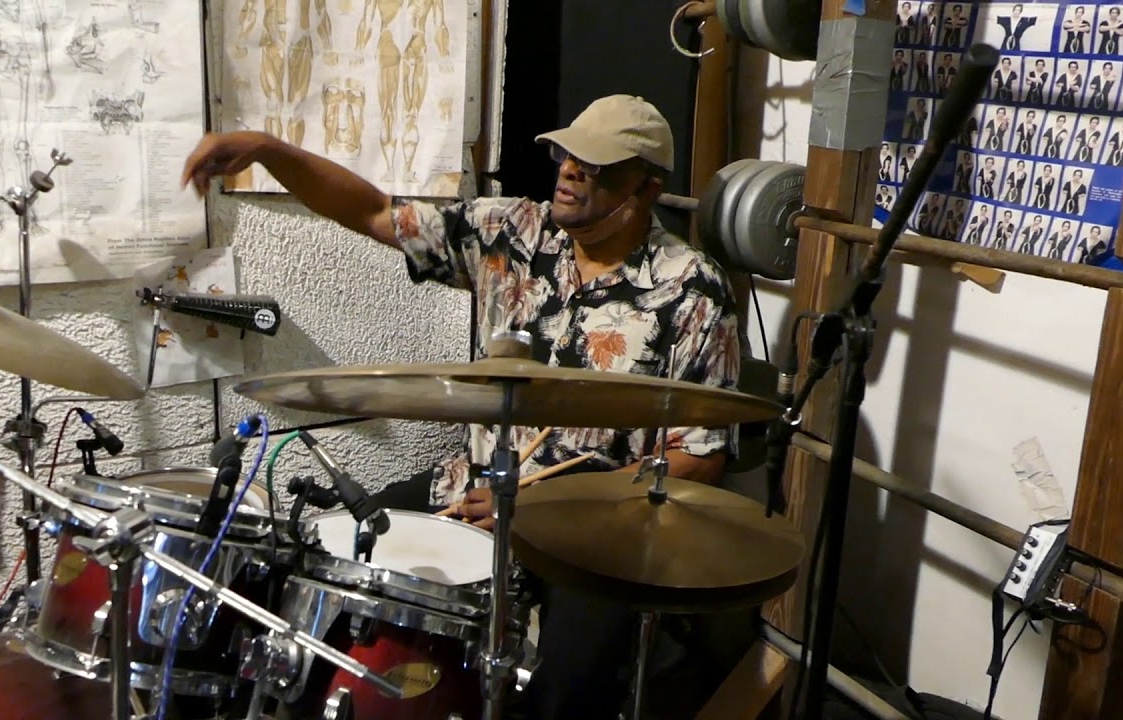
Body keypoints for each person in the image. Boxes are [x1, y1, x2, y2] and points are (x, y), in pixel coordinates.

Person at [180, 94, 742, 719]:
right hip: (474, 489)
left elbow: (696, 462)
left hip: (596, 533)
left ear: (646, 187)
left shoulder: (691, 289)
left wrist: (546, 506)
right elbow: (372, 212)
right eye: (567, 154)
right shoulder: (512, 233)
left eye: (599, 166)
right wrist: (271, 150)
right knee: (328, 563)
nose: (571, 171)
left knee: (570, 693)